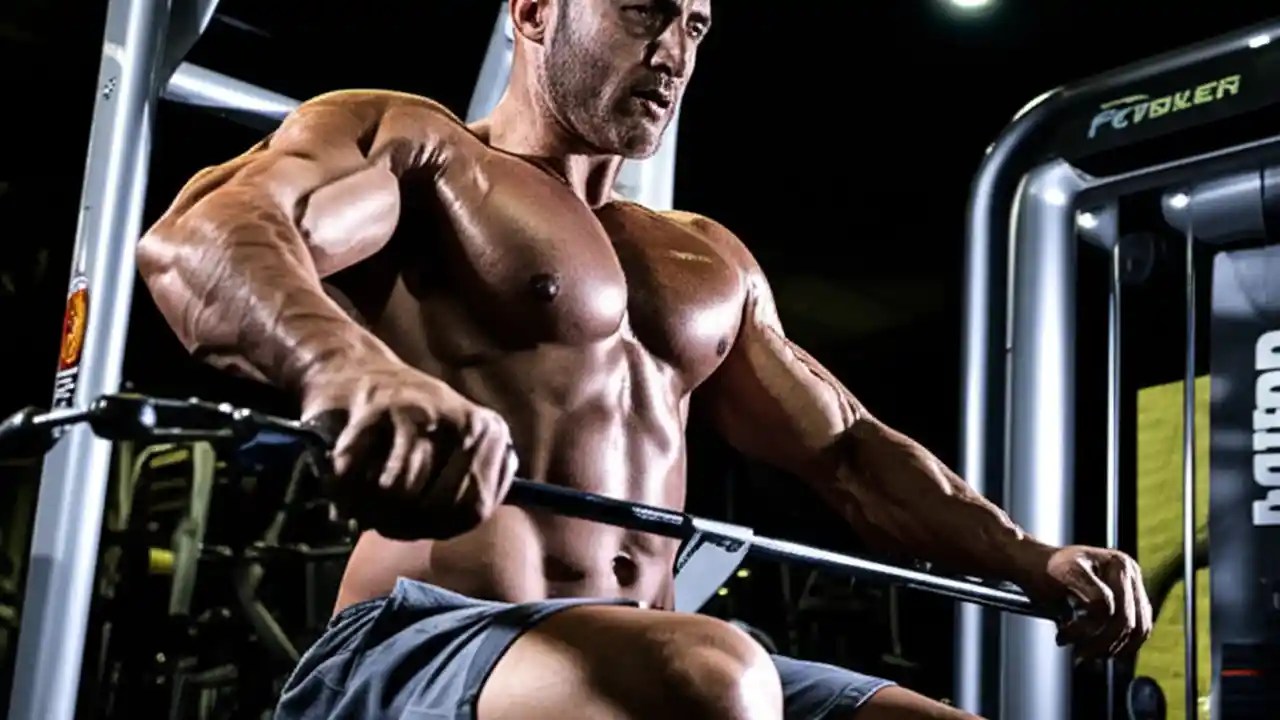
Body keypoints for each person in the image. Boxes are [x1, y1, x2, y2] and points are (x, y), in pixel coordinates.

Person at [136, 0, 1153, 718]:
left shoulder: (702, 255)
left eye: (695, 26)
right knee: (709, 677)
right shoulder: (420, 148)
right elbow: (209, 237)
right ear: (532, 11)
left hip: (650, 660)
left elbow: (842, 452)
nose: (672, 51)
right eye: (640, 12)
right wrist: (349, 372)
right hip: (431, 646)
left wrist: (1033, 557)